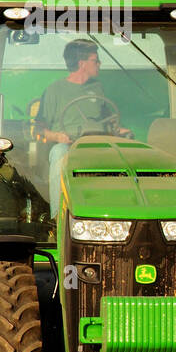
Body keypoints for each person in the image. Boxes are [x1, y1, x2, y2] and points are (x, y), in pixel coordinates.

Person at [39, 38, 132, 218]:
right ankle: (59, 217)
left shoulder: (98, 88)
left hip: (99, 145)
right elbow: (38, 129)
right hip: (70, 147)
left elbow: (110, 122)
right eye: (95, 60)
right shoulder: (54, 90)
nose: (99, 64)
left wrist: (121, 131)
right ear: (82, 64)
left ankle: (124, 214)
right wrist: (57, 137)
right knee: (59, 153)